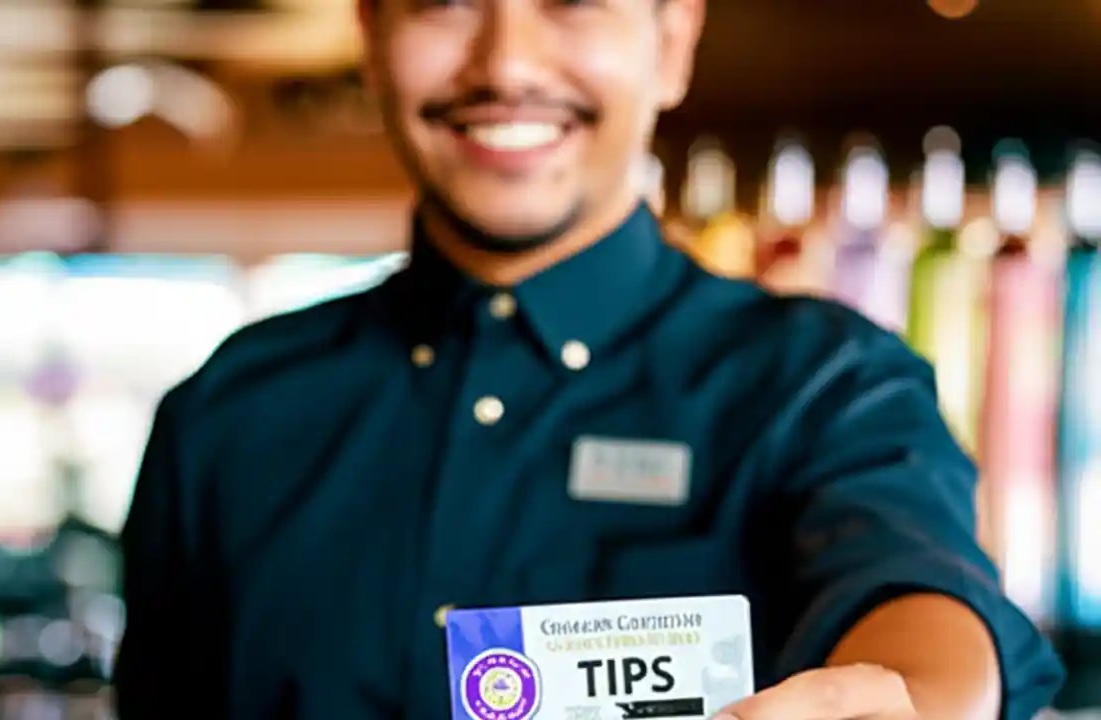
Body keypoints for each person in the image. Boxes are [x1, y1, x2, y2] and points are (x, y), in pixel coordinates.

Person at [113, 0, 1064, 715]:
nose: (506, 61)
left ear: (672, 41)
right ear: (371, 34)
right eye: (444, 2)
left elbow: (914, 584)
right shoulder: (228, 417)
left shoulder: (823, 384)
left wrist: (907, 696)